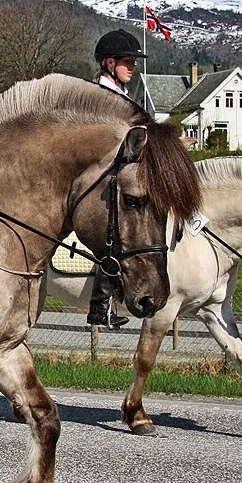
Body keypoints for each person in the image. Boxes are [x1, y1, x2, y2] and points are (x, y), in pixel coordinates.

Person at [87, 30, 148, 328]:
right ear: (110, 63)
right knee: (113, 237)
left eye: (134, 62)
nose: (133, 67)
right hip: (100, 176)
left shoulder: (123, 97)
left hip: (121, 173)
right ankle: (100, 307)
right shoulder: (97, 97)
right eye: (128, 61)